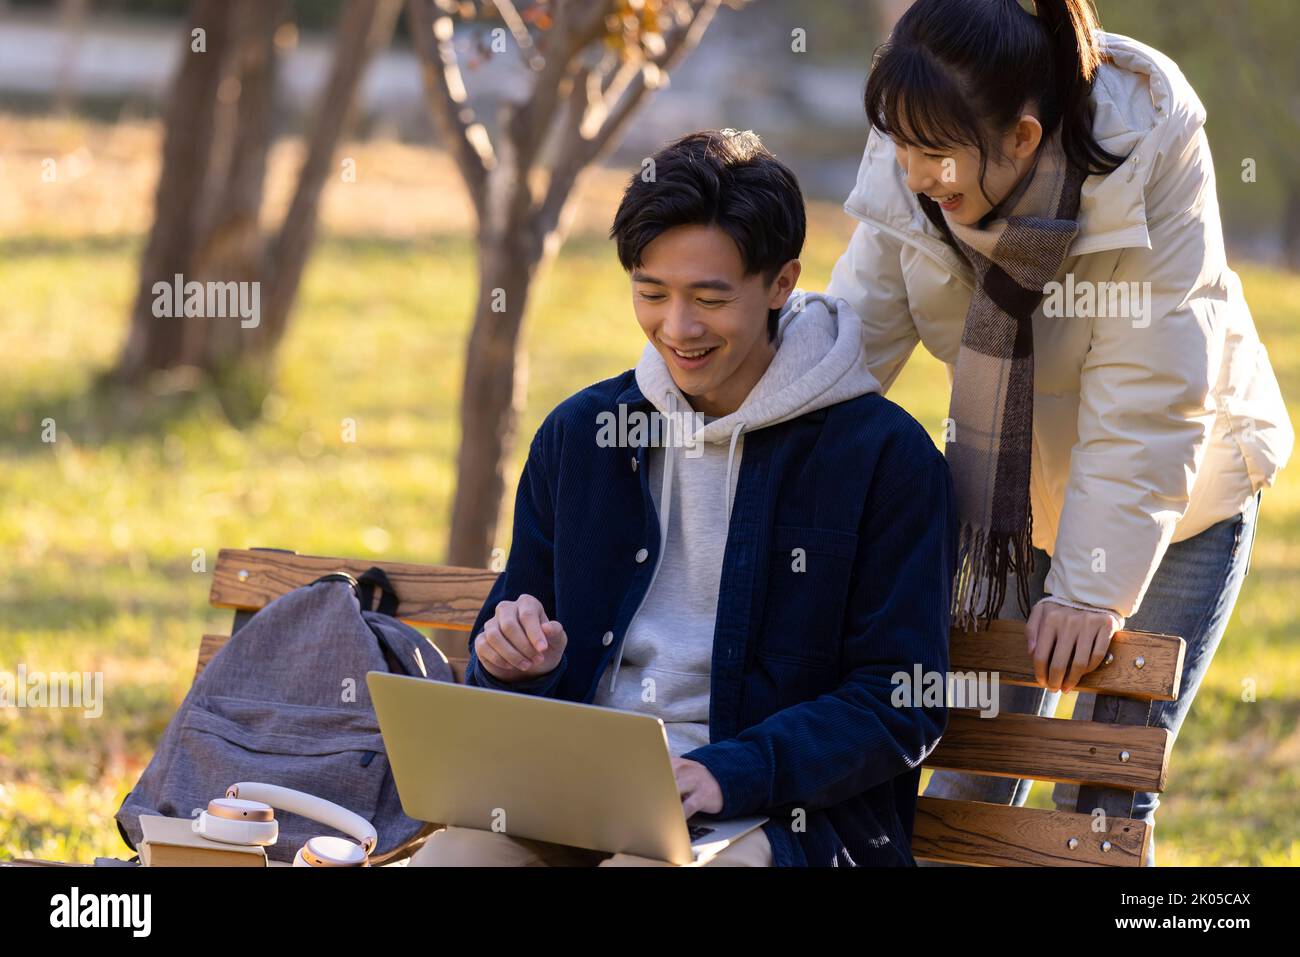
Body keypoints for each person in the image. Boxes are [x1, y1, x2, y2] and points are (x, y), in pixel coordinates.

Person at [824, 0, 1293, 865]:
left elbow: (1150, 393)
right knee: (967, 772)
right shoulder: (914, 151)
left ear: (1025, 138)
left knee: (1099, 795)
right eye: (901, 146)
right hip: (1010, 505)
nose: (914, 172)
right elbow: (852, 336)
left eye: (935, 156)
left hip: (1179, 500)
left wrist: (1090, 591)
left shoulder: (1152, 149)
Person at [410, 128, 958, 867]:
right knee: (454, 860)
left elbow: (901, 699)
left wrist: (724, 773)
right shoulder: (581, 436)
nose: (679, 327)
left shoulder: (883, 459)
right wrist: (512, 661)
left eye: (710, 297)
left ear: (781, 282)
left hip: (781, 818)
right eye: (651, 293)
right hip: (581, 794)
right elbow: (520, 639)